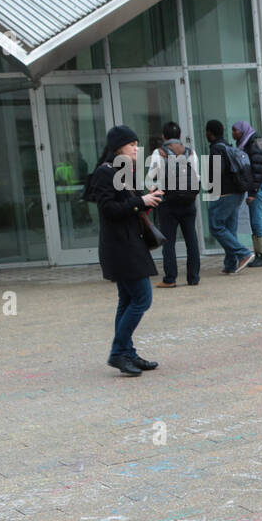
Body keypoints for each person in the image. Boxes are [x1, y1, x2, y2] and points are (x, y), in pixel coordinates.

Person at [84, 125, 162, 376]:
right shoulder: (105, 173)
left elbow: (128, 207)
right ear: (118, 148)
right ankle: (118, 352)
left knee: (127, 300)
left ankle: (127, 352)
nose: (136, 149)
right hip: (120, 246)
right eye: (132, 145)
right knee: (142, 298)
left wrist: (146, 201)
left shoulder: (123, 171)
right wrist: (140, 201)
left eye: (137, 144)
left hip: (129, 242)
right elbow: (108, 210)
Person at [147, 121, 201, 287]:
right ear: (179, 136)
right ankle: (193, 278)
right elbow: (197, 177)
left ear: (164, 136)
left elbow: (151, 177)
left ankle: (170, 279)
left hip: (168, 203)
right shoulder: (190, 152)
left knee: (168, 242)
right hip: (188, 202)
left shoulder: (159, 152)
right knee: (191, 240)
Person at [205, 119, 254, 273]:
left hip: (224, 193)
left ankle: (243, 253)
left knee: (216, 226)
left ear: (209, 133)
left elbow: (216, 174)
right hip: (237, 192)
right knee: (230, 229)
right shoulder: (228, 146)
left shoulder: (216, 149)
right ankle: (230, 264)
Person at [232, 119, 262, 267]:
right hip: (256, 187)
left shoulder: (252, 146)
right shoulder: (248, 144)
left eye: (235, 130)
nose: (233, 133)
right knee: (254, 220)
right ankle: (259, 254)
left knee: (257, 220)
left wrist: (253, 192)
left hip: (256, 188)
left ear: (242, 131)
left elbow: (257, 171)